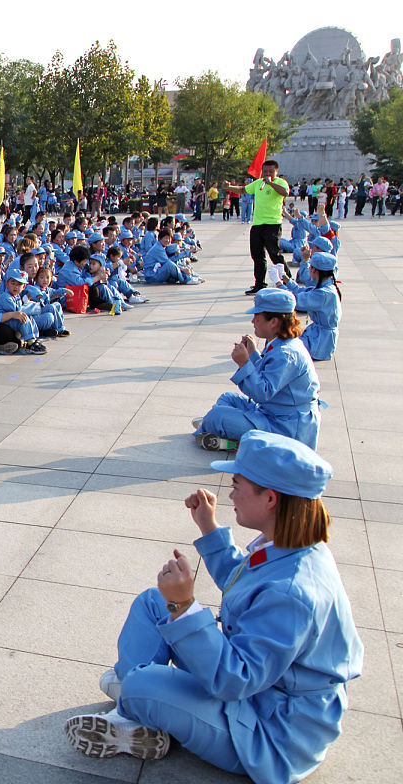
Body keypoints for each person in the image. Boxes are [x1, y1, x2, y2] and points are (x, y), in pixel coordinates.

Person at [65, 431, 362, 782]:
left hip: (271, 732)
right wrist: (208, 527)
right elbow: (242, 580)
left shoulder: (293, 592)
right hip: (257, 688)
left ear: (270, 498)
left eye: (237, 484)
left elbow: (234, 680)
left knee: (144, 682)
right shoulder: (288, 546)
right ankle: (136, 708)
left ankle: (132, 704)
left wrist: (184, 605)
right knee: (153, 602)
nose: (231, 493)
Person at [193, 288, 321, 450]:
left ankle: (222, 432)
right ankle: (228, 433)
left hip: (286, 426)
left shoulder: (286, 353)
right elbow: (267, 375)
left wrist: (244, 364)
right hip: (273, 413)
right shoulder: (281, 343)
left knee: (217, 416)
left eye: (257, 317)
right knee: (227, 398)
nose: (253, 321)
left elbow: (262, 393)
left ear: (273, 322)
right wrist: (253, 353)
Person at [224, 160, 289, 295]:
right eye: (265, 171)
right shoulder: (258, 183)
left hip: (273, 223)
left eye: (271, 171)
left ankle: (288, 280)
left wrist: (270, 182)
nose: (267, 174)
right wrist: (229, 187)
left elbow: (285, 193)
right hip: (258, 224)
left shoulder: (280, 182)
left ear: (276, 171)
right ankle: (259, 284)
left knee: (274, 253)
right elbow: (243, 189)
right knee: (257, 255)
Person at [282, 250, 340, 362]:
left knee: (284, 348)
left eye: (310, 267)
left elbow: (298, 301)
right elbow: (302, 291)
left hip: (320, 342)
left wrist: (280, 288)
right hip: (317, 335)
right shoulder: (325, 286)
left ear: (314, 270)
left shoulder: (324, 293)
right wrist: (287, 281)